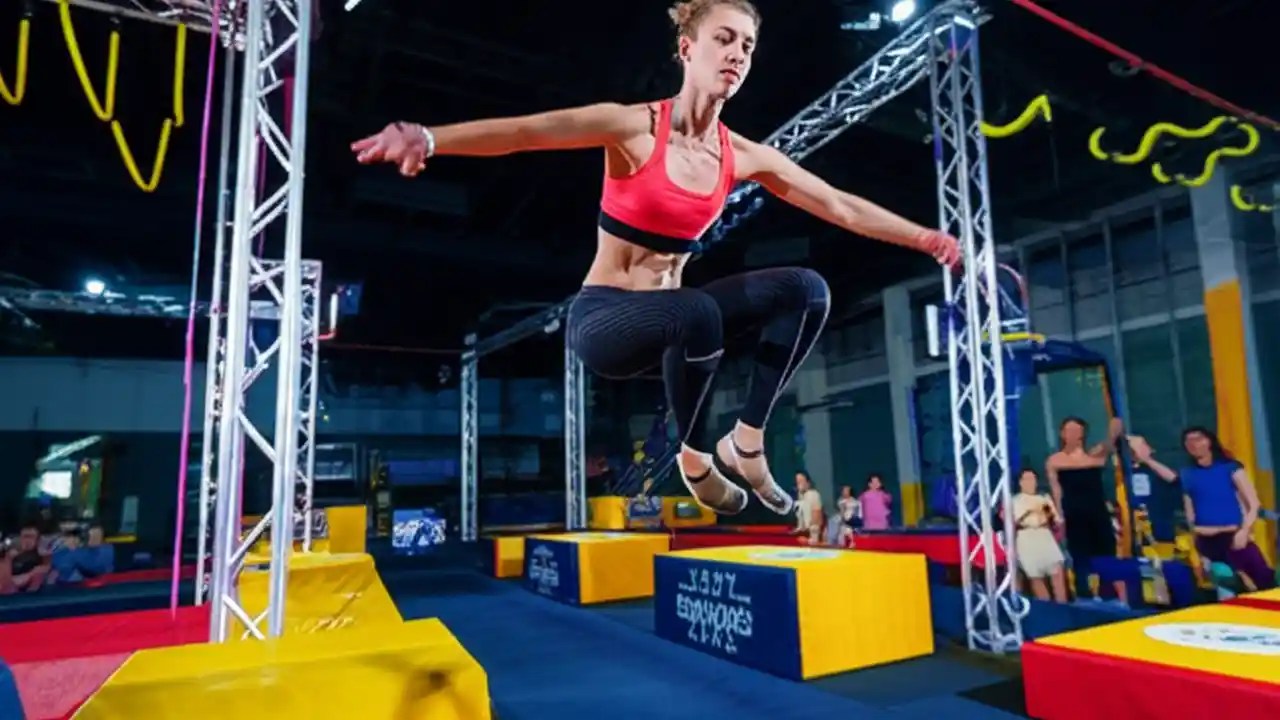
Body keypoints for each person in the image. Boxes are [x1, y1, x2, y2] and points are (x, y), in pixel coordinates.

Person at [351, 0, 960, 517]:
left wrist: (925, 239)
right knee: (696, 310)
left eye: (747, 46)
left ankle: (745, 441)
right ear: (686, 48)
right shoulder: (634, 128)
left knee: (808, 288)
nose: (737, 55)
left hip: (681, 331)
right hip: (606, 324)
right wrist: (429, 138)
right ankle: (692, 457)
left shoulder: (742, 156)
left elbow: (841, 207)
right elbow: (530, 131)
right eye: (723, 39)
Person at [1129, 428, 1275, 591]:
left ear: (1209, 442)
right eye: (1188, 441)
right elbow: (1180, 490)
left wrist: (1244, 531)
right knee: (1225, 586)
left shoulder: (1230, 468)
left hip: (1234, 536)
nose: (1193, 444)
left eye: (1198, 439)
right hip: (1206, 540)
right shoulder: (1188, 474)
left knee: (1263, 580)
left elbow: (1253, 503)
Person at [1046, 416, 1128, 603]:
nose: (1073, 434)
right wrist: (1059, 517)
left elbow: (1108, 446)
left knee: (1106, 554)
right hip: (1074, 515)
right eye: (1069, 430)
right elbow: (1056, 490)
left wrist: (1113, 431)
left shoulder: (1094, 455)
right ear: (1062, 434)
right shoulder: (1055, 460)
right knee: (1080, 557)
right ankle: (1085, 597)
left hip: (1098, 512)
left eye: (1077, 430)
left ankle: (1114, 598)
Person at [1012, 469, 1068, 603]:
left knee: (1057, 572)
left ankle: (1063, 607)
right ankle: (1046, 606)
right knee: (1035, 576)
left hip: (1045, 536)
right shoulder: (1014, 500)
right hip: (1026, 538)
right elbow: (1014, 522)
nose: (1030, 483)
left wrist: (1049, 516)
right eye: (1027, 480)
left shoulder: (1044, 499)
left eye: (1033, 479)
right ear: (1020, 483)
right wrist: (1030, 512)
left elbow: (1055, 520)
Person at [793, 471, 823, 544]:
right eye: (797, 482)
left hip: (813, 536)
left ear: (808, 483)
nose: (799, 484)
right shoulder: (800, 496)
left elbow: (817, 520)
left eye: (801, 481)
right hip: (803, 534)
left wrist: (810, 539)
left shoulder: (813, 495)